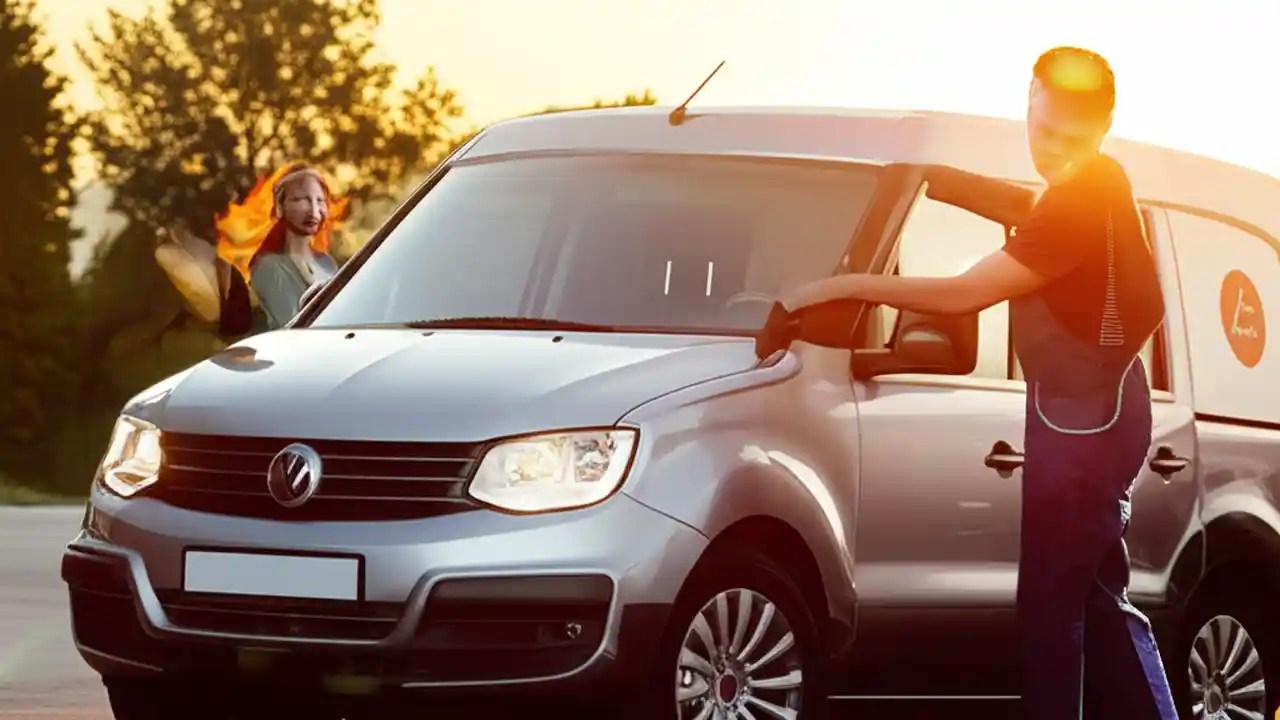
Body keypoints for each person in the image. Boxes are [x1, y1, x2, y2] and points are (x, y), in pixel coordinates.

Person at [784, 47, 1176, 719]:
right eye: (1044, 130)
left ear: (1103, 129)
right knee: (1096, 597)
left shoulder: (1077, 203)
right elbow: (1032, 207)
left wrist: (840, 287)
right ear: (1028, 103)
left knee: (1052, 607)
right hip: (1101, 407)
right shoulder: (1101, 181)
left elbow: (963, 294)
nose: (1053, 148)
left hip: (1080, 420)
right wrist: (937, 180)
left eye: (1070, 137)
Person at [154, 161, 348, 336]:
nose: (313, 210)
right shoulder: (270, 268)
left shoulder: (326, 262)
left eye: (320, 200)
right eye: (300, 200)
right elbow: (297, 333)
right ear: (280, 208)